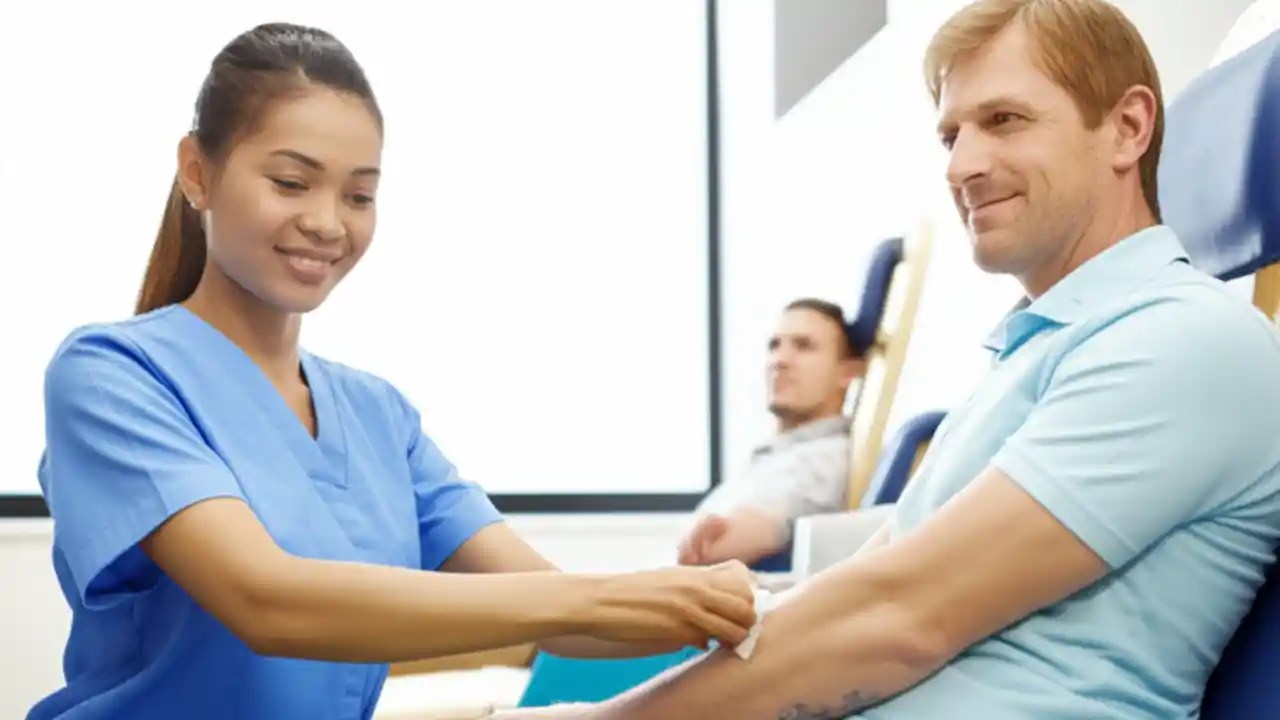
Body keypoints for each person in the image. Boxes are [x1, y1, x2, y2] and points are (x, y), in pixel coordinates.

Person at [492, 1, 1280, 718]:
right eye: (951, 134)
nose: (960, 165)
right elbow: (869, 588)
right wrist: (733, 599)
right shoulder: (1043, 350)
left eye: (1003, 120)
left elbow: (900, 618)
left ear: (1128, 129)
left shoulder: (1186, 341)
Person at [29, 23, 757, 720]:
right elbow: (268, 602)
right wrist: (606, 598)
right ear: (198, 171)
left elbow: (567, 623)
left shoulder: (379, 416)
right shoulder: (112, 375)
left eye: (359, 195)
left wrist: (735, 606)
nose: (327, 222)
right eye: (290, 182)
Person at [678, 299, 865, 567]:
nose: (779, 360)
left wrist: (712, 537)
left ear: (847, 373)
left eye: (803, 346)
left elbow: (712, 549)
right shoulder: (774, 457)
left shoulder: (825, 457)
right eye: (774, 345)